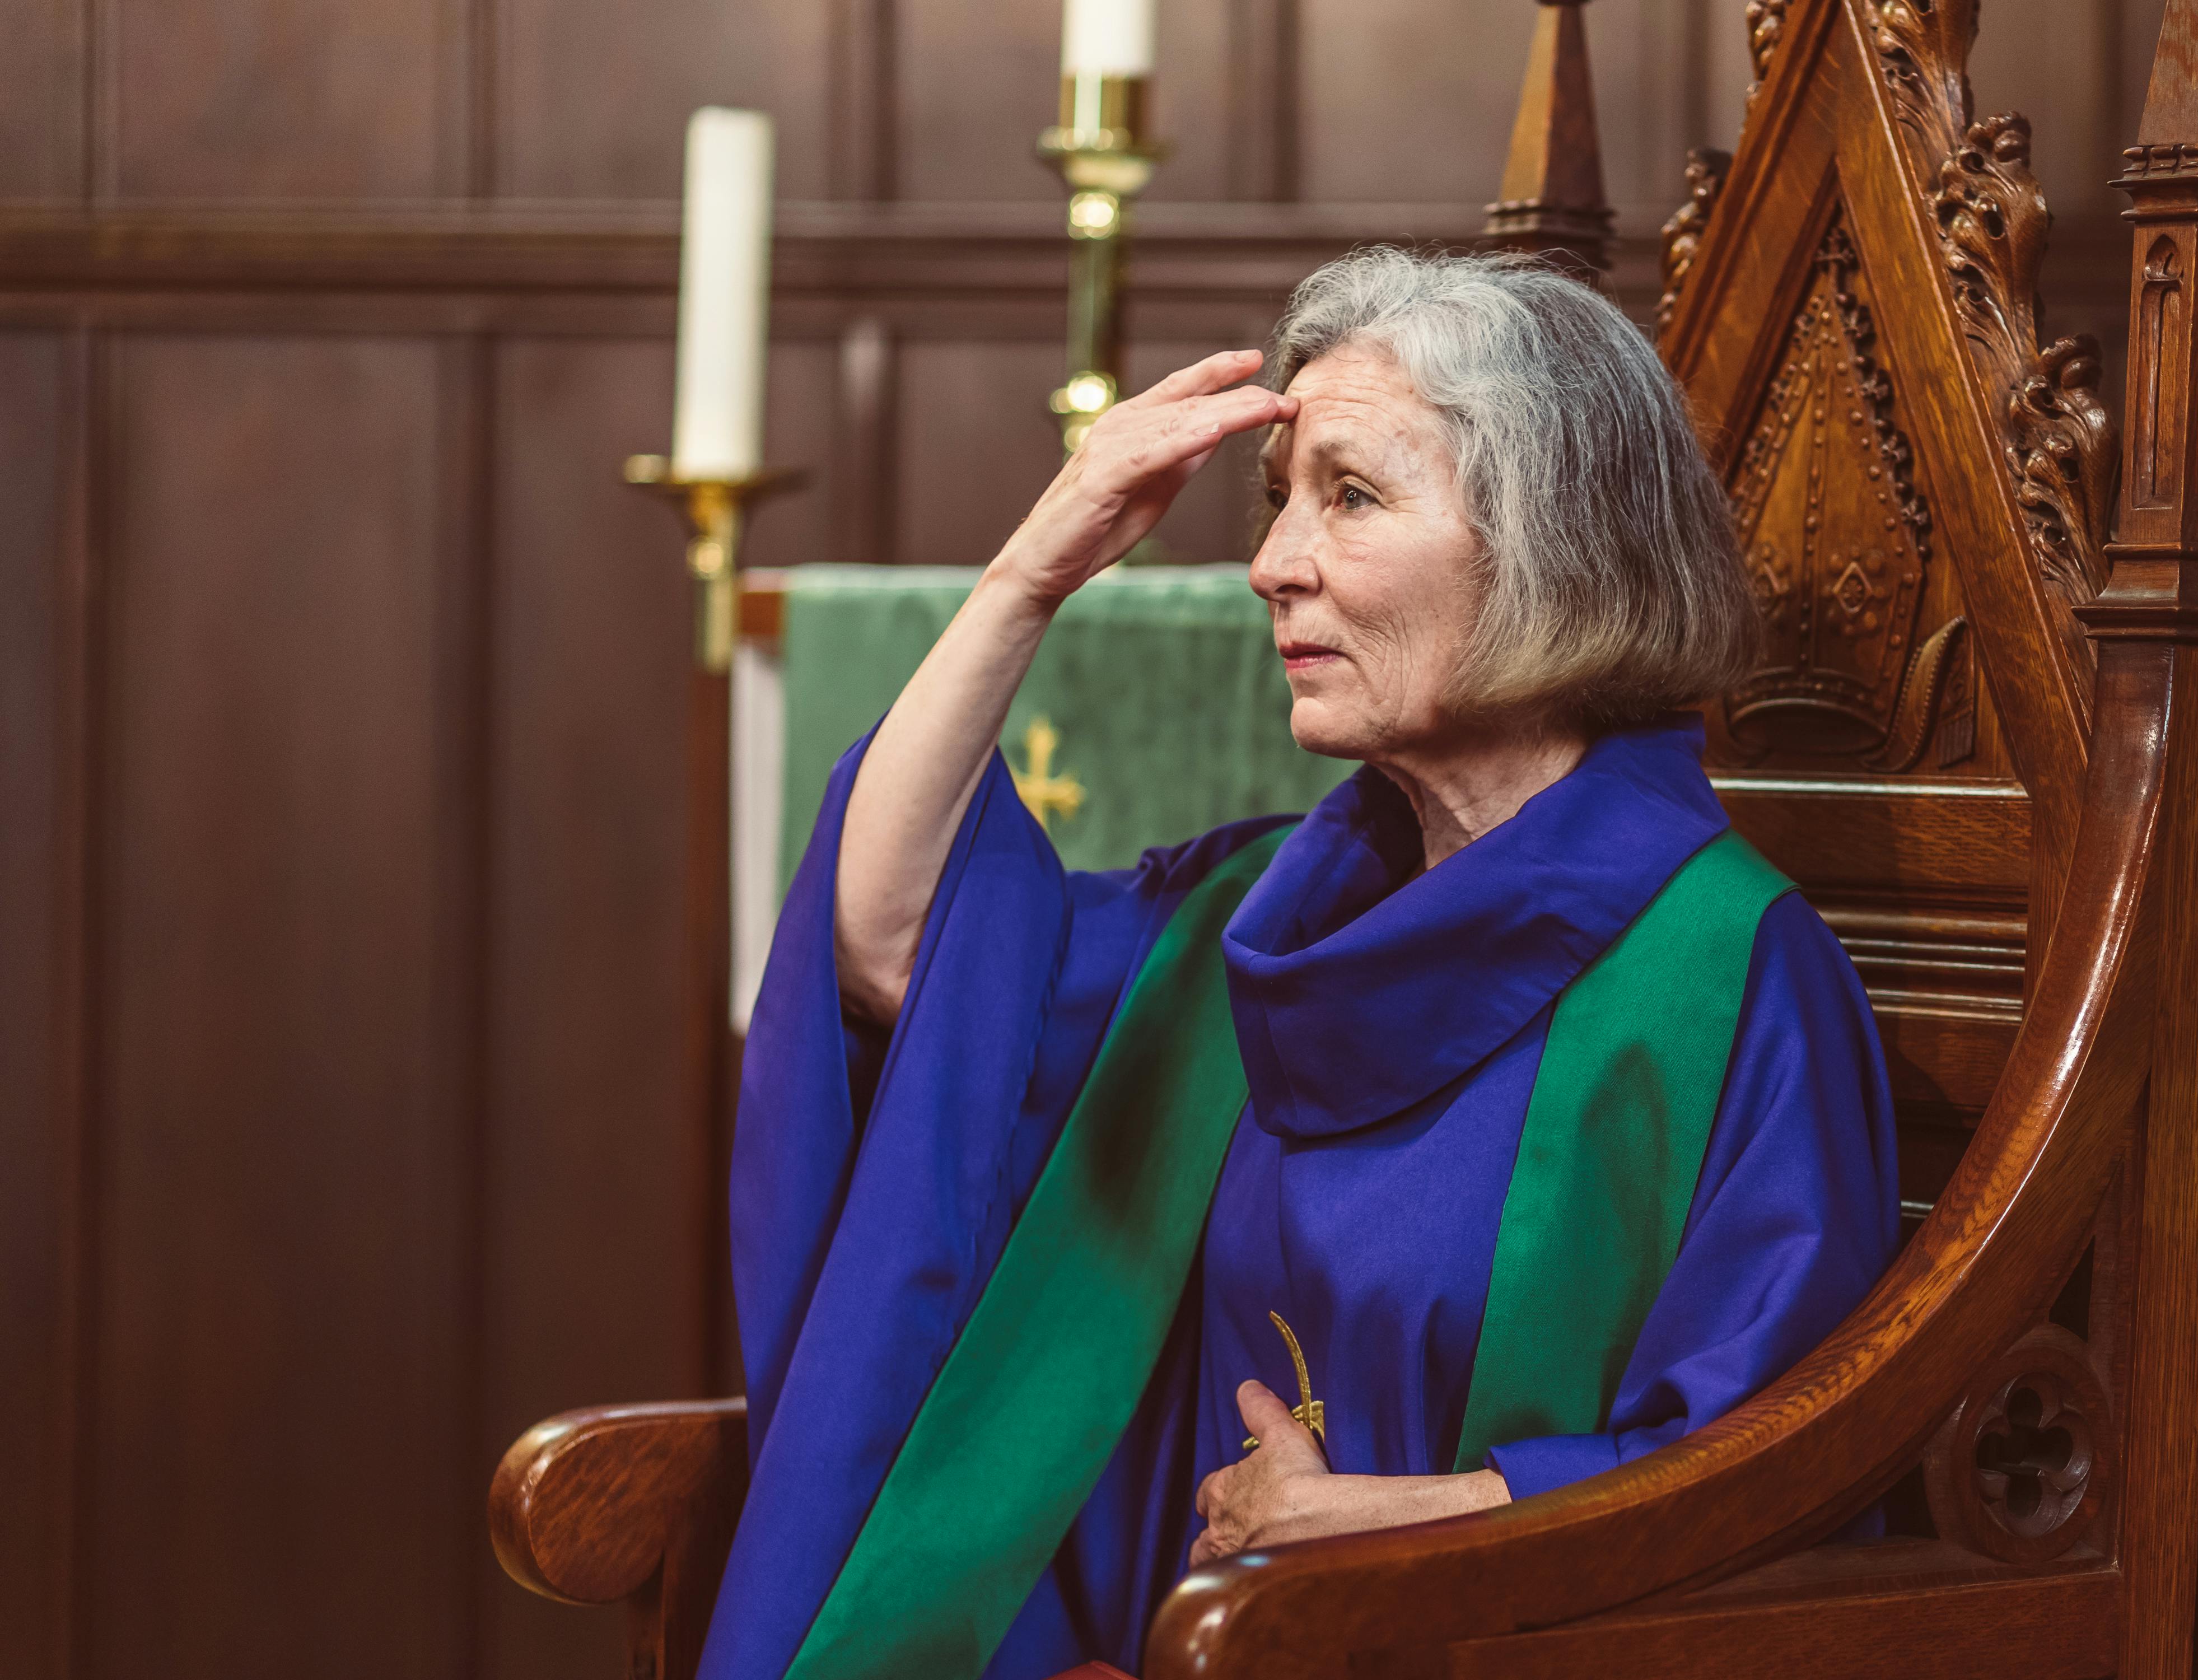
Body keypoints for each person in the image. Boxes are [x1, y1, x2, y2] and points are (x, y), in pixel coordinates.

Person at [700, 249, 1898, 1680]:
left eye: (1352, 496)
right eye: (1281, 499)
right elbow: (890, 947)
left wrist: (1411, 1528)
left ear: (1552, 546)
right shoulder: (1255, 920)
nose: (1273, 562)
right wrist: (1037, 568)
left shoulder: (1724, 978)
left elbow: (1781, 1469)